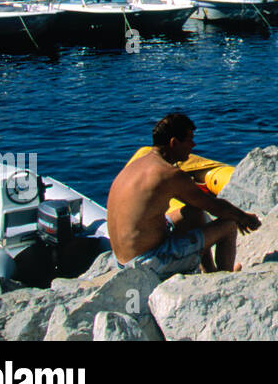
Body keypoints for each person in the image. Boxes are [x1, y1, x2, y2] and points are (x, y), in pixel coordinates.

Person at [107, 113, 260, 277]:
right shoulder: (169, 174)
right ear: (174, 143)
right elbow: (214, 206)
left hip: (122, 261)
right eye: (189, 140)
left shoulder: (138, 165)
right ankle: (222, 280)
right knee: (229, 226)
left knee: (194, 212)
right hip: (148, 263)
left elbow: (199, 205)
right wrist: (244, 218)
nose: (193, 145)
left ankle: (209, 272)